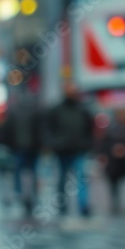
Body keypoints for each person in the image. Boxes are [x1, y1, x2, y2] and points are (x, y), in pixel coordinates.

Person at [45, 82, 94, 217]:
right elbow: (49, 129)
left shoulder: (83, 110)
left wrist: (87, 144)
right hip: (62, 150)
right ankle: (63, 205)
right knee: (62, 179)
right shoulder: (56, 110)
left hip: (79, 149)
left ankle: (83, 206)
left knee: (80, 178)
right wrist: (54, 143)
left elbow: (89, 129)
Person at [0, 90, 43, 216]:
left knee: (18, 170)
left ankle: (19, 192)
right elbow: (41, 130)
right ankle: (31, 192)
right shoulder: (36, 111)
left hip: (18, 147)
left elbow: (6, 130)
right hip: (33, 146)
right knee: (32, 170)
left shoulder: (14, 112)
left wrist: (9, 144)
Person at [97, 108, 125, 214]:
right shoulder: (110, 129)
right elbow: (103, 144)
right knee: (113, 183)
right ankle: (115, 202)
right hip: (113, 162)